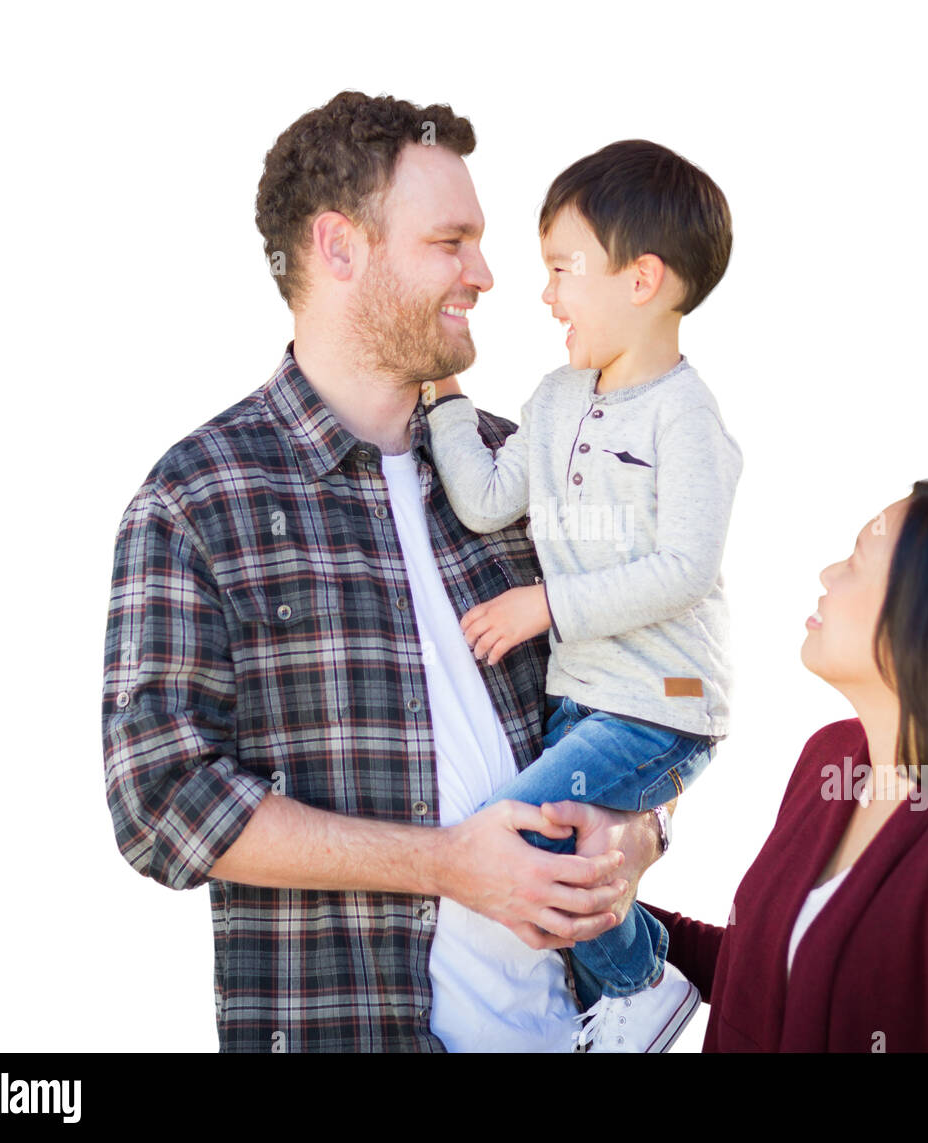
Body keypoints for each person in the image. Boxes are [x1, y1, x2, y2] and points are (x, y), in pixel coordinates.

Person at [101, 91, 670, 1053]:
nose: (486, 273)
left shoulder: (533, 470)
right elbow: (159, 802)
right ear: (338, 248)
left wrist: (639, 830)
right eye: (451, 240)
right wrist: (448, 863)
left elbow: (665, 681)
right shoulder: (198, 499)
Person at [420, 139, 741, 1052]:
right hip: (585, 698)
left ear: (641, 280)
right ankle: (632, 982)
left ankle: (644, 982)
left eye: (563, 269)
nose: (547, 294)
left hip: (666, 704)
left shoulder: (687, 418)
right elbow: (485, 498)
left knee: (515, 833)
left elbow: (683, 564)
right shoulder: (557, 399)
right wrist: (444, 396)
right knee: (565, 854)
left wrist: (547, 606)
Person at [641, 481, 928, 1051]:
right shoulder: (830, 758)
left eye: (859, 560)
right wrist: (605, 912)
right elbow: (769, 975)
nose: (829, 574)